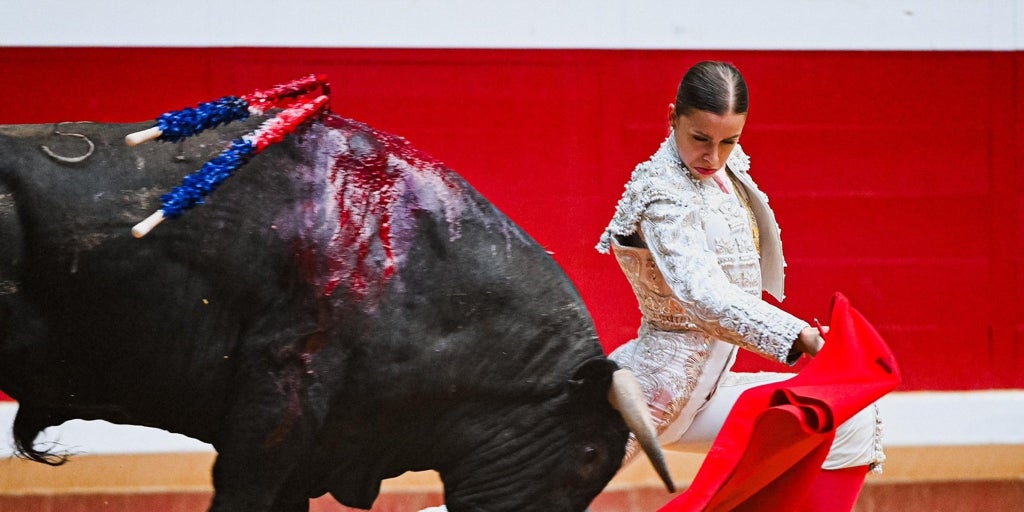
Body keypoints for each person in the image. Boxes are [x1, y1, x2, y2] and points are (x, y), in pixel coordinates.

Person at [596, 61, 882, 511]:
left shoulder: (726, 173)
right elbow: (702, 294)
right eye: (700, 139)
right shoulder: (661, 192)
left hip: (708, 394)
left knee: (848, 415)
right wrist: (800, 336)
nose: (713, 157)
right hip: (648, 395)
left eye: (729, 141)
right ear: (672, 118)